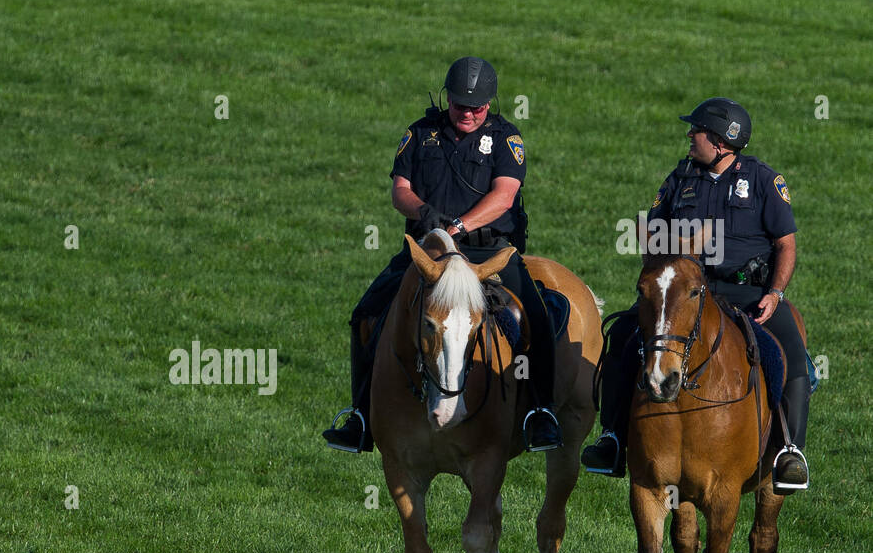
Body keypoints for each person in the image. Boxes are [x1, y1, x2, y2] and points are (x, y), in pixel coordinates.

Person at [322, 56, 561, 453]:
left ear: (489, 104)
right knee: (366, 314)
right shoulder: (420, 134)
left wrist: (461, 226)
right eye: (460, 104)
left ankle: (541, 412)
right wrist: (422, 211)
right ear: (447, 98)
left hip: (487, 251)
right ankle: (360, 415)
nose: (468, 113)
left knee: (533, 314)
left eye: (476, 107)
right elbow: (400, 190)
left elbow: (504, 196)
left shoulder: (507, 138)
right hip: (428, 251)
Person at [581, 98, 810, 490]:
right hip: (684, 291)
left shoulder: (763, 180)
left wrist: (774, 293)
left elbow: (785, 244)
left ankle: (790, 451)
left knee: (791, 353)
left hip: (747, 292)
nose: (690, 135)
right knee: (621, 337)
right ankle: (613, 438)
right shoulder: (680, 178)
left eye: (697, 131)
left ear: (720, 141)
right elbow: (654, 239)